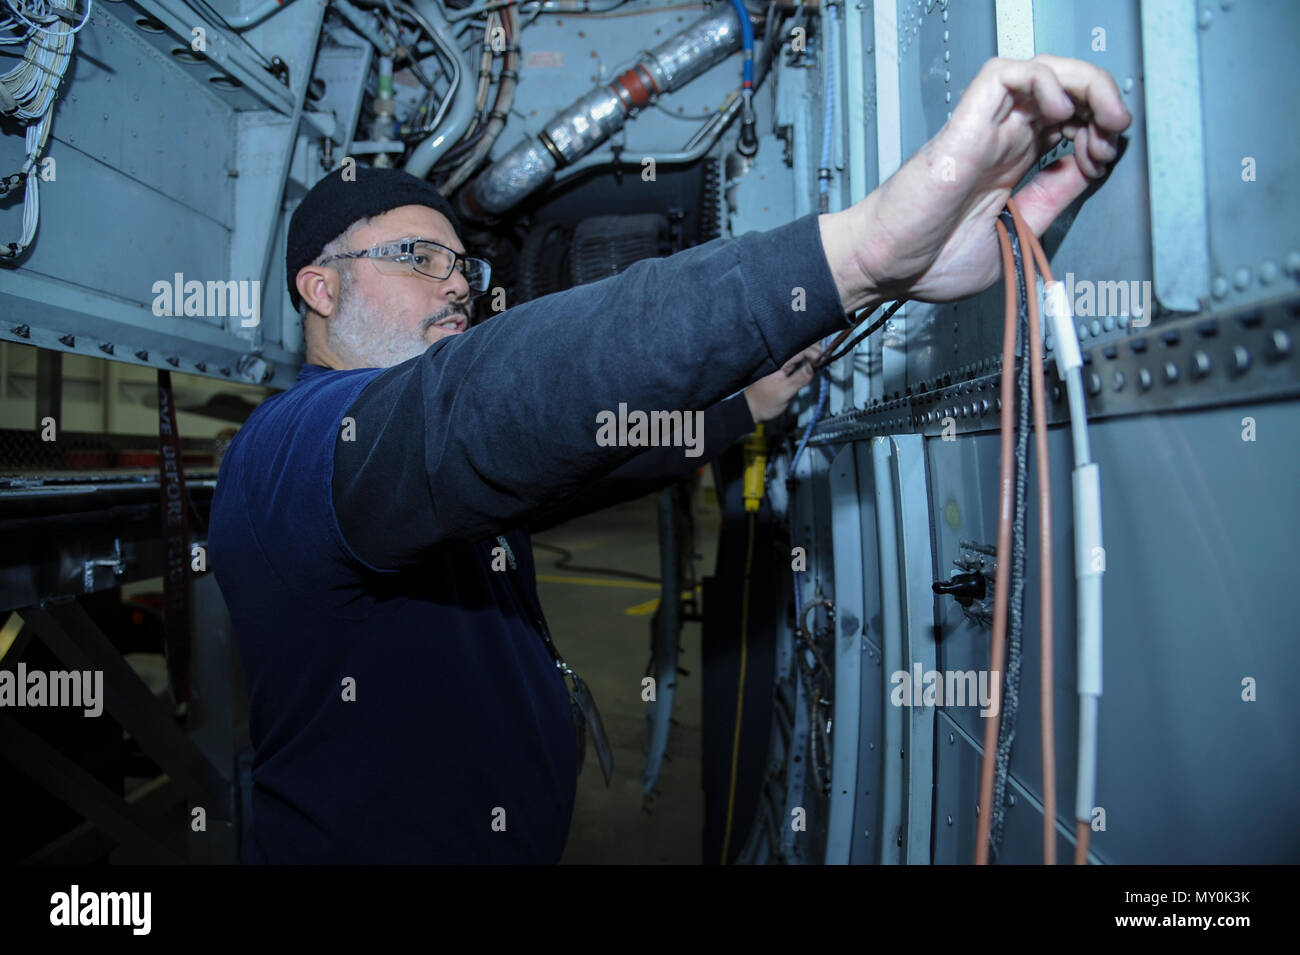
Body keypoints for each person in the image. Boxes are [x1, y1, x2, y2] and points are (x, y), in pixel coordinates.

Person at [209, 54, 1130, 863]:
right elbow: (488, 400)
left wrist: (744, 407)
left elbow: (588, 460)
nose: (457, 283)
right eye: (418, 256)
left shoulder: (413, 476)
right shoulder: (286, 454)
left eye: (464, 265)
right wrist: (861, 252)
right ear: (320, 286)